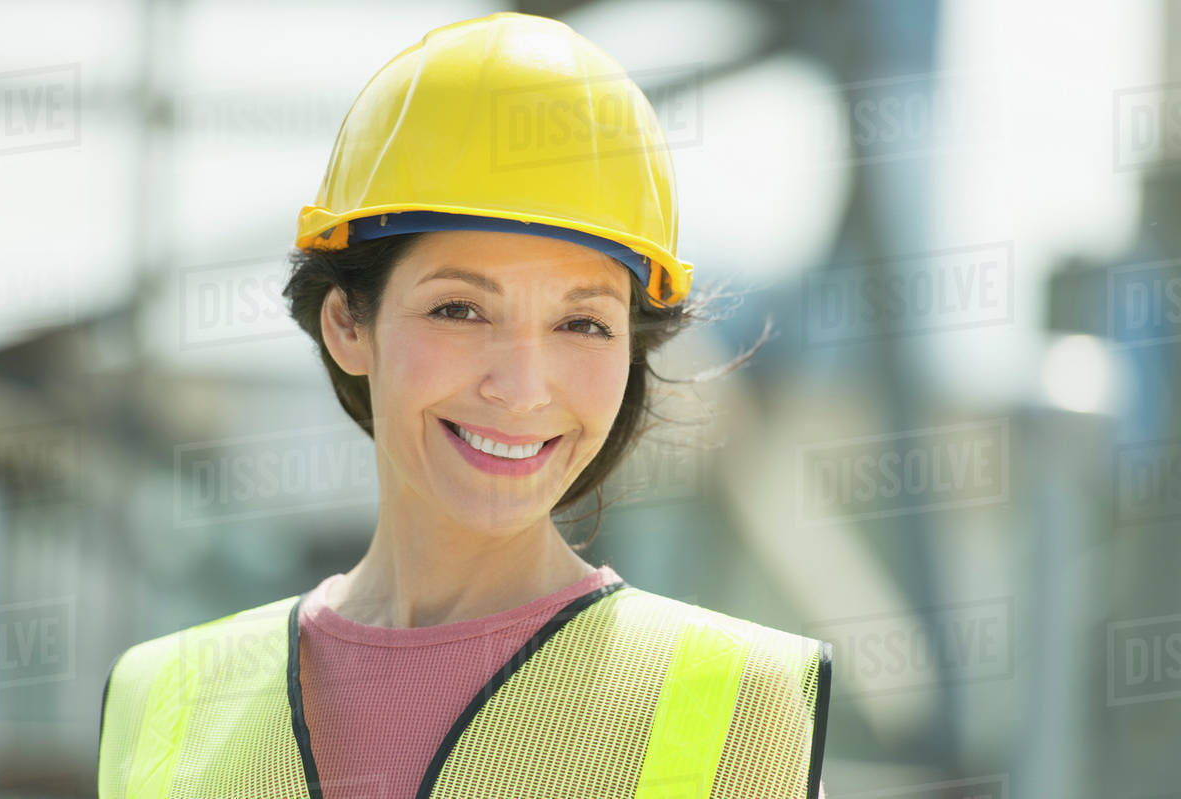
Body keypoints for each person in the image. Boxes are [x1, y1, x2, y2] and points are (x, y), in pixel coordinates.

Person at [97, 12, 831, 798]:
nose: (521, 386)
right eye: (460, 309)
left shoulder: (737, 706)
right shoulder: (163, 702)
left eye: (583, 323)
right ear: (347, 323)